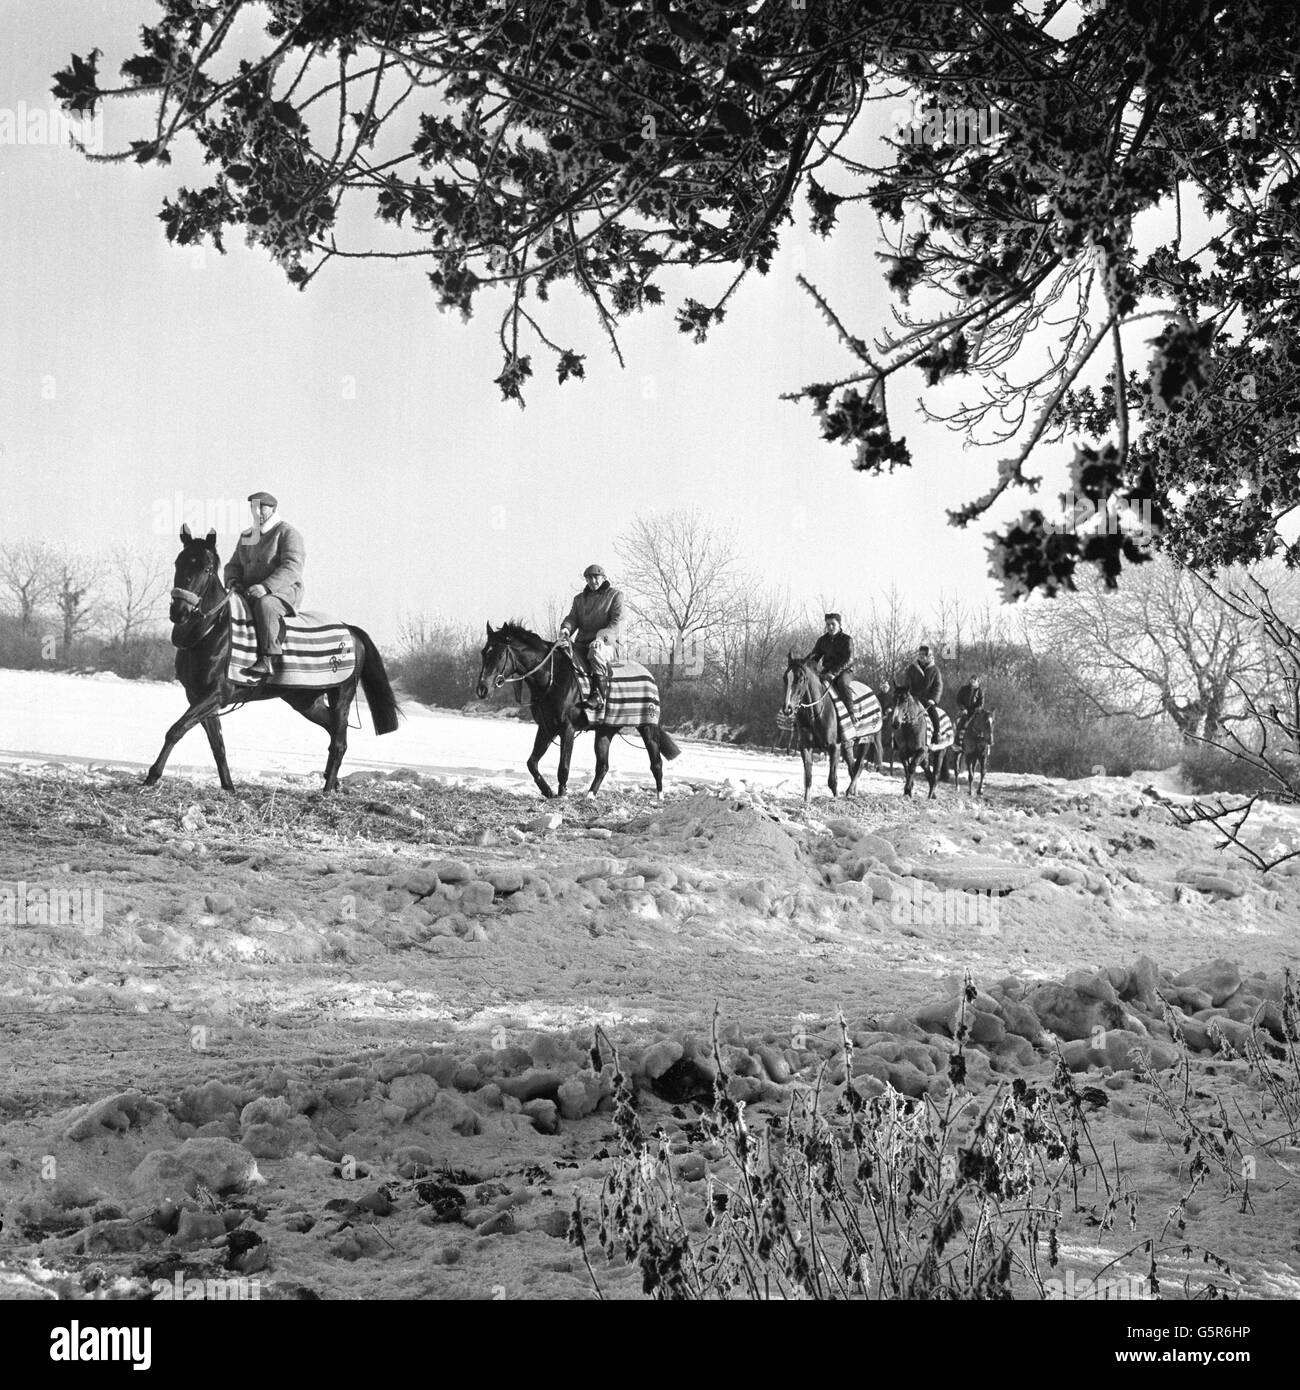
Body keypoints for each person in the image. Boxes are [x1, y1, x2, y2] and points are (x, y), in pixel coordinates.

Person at [223, 491, 305, 679]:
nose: (257, 512)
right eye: (253, 507)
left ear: (273, 509)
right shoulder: (247, 535)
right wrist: (233, 581)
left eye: (262, 507)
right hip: (248, 591)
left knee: (265, 605)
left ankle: (268, 658)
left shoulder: (287, 533)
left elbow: (292, 567)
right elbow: (233, 565)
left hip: (283, 591)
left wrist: (266, 587)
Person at [558, 563, 625, 714]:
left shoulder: (615, 595)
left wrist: (601, 638)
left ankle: (599, 696)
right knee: (560, 651)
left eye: (596, 577)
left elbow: (617, 621)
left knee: (596, 651)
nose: (592, 581)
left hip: (606, 643)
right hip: (581, 643)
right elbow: (572, 618)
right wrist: (566, 628)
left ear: (604, 578)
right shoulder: (579, 599)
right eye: (589, 578)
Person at [802, 613, 855, 725]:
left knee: (842, 684)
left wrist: (834, 673)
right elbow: (814, 656)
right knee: (813, 686)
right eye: (828, 624)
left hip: (844, 671)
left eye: (833, 624)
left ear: (839, 625)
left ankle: (851, 714)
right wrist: (802, 664)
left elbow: (849, 659)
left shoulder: (847, 640)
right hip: (827, 671)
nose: (830, 627)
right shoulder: (822, 640)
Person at [906, 643, 944, 746]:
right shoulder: (912, 668)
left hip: (927, 699)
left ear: (929, 656)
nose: (921, 656)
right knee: (901, 711)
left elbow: (938, 686)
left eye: (924, 654)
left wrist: (933, 699)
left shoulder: (935, 670)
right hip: (913, 698)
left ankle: (937, 733)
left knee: (933, 712)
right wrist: (908, 695)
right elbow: (907, 683)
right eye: (920, 654)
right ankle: (896, 738)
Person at [955, 674, 985, 743]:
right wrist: (963, 708)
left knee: (981, 722)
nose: (972, 683)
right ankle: (957, 738)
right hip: (964, 710)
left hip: (974, 712)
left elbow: (981, 703)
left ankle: (980, 740)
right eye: (971, 681)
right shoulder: (964, 689)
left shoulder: (980, 691)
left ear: (978, 682)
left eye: (974, 681)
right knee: (962, 720)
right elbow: (958, 700)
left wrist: (978, 709)